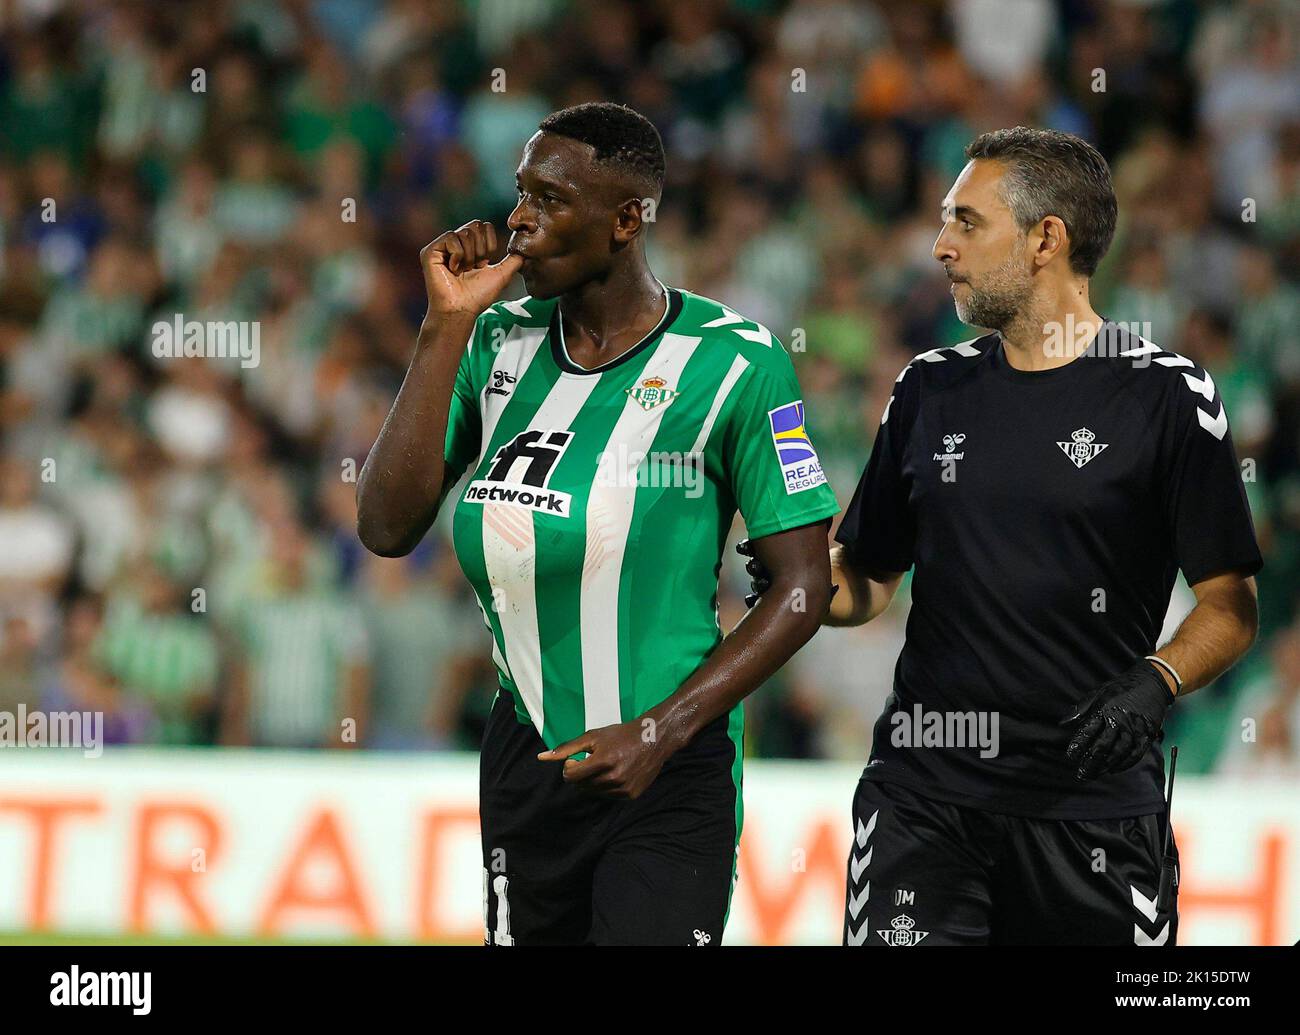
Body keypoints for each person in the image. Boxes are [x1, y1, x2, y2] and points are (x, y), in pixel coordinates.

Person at [742, 127, 1261, 945]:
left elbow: (1231, 604)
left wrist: (1157, 677)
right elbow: (868, 578)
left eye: (966, 222)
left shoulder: (1170, 397)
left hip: (1093, 816)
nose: (940, 245)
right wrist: (798, 576)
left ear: (1046, 237)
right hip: (923, 801)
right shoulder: (927, 387)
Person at [356, 102, 840, 945]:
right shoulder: (494, 341)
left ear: (626, 221)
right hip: (528, 760)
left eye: (549, 200)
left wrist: (661, 730)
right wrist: (442, 326)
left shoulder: (735, 362)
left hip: (667, 765)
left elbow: (803, 587)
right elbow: (386, 526)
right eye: (520, 194)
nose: (518, 221)